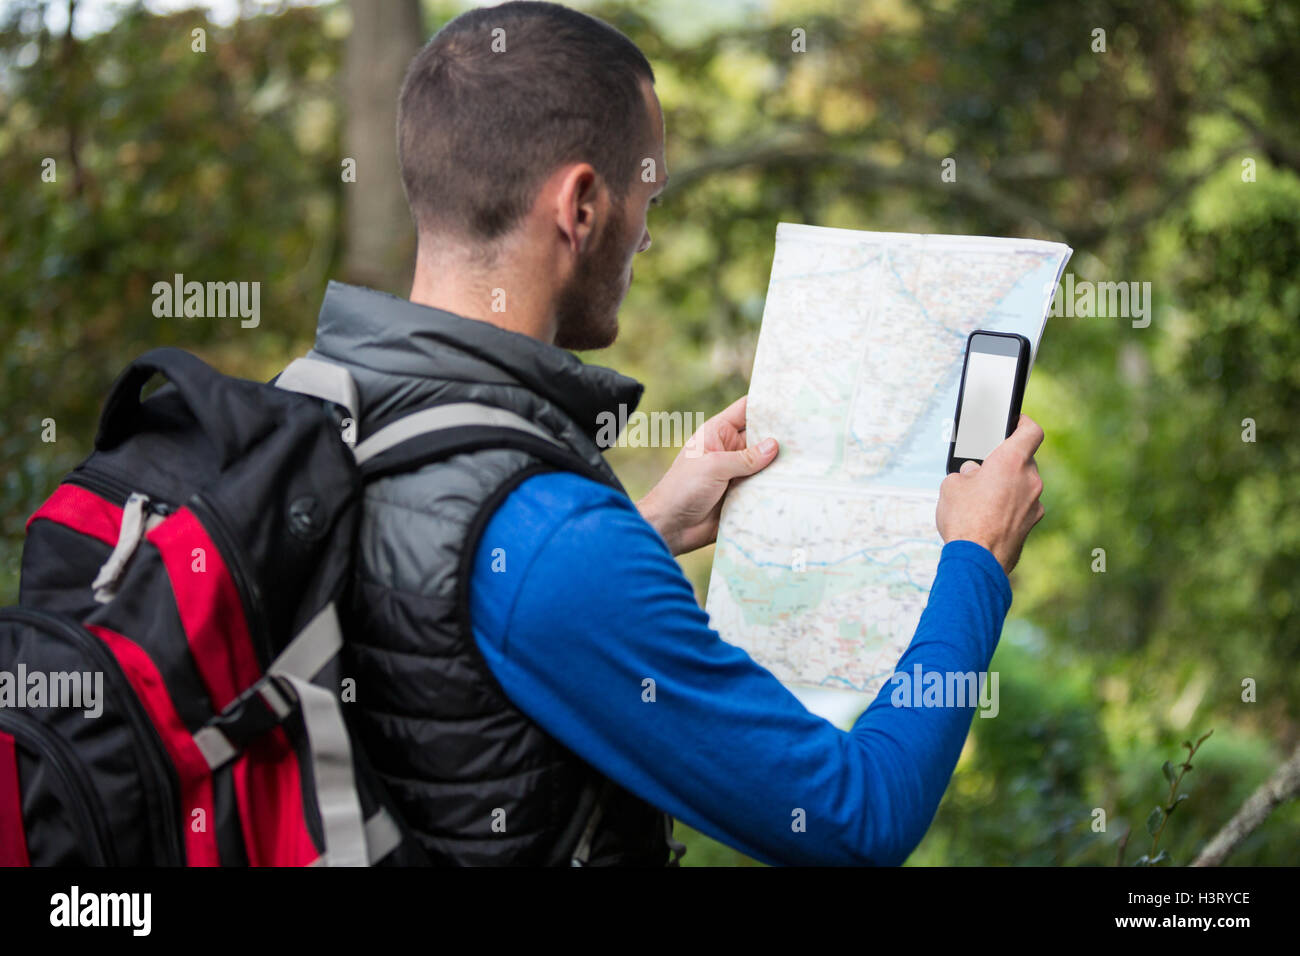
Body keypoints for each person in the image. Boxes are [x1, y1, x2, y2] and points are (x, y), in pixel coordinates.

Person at [307, 0, 1045, 865]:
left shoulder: (331, 407)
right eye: (644, 197)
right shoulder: (552, 546)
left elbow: (443, 616)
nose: (646, 237)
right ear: (581, 205)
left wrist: (647, 526)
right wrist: (976, 561)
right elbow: (855, 821)